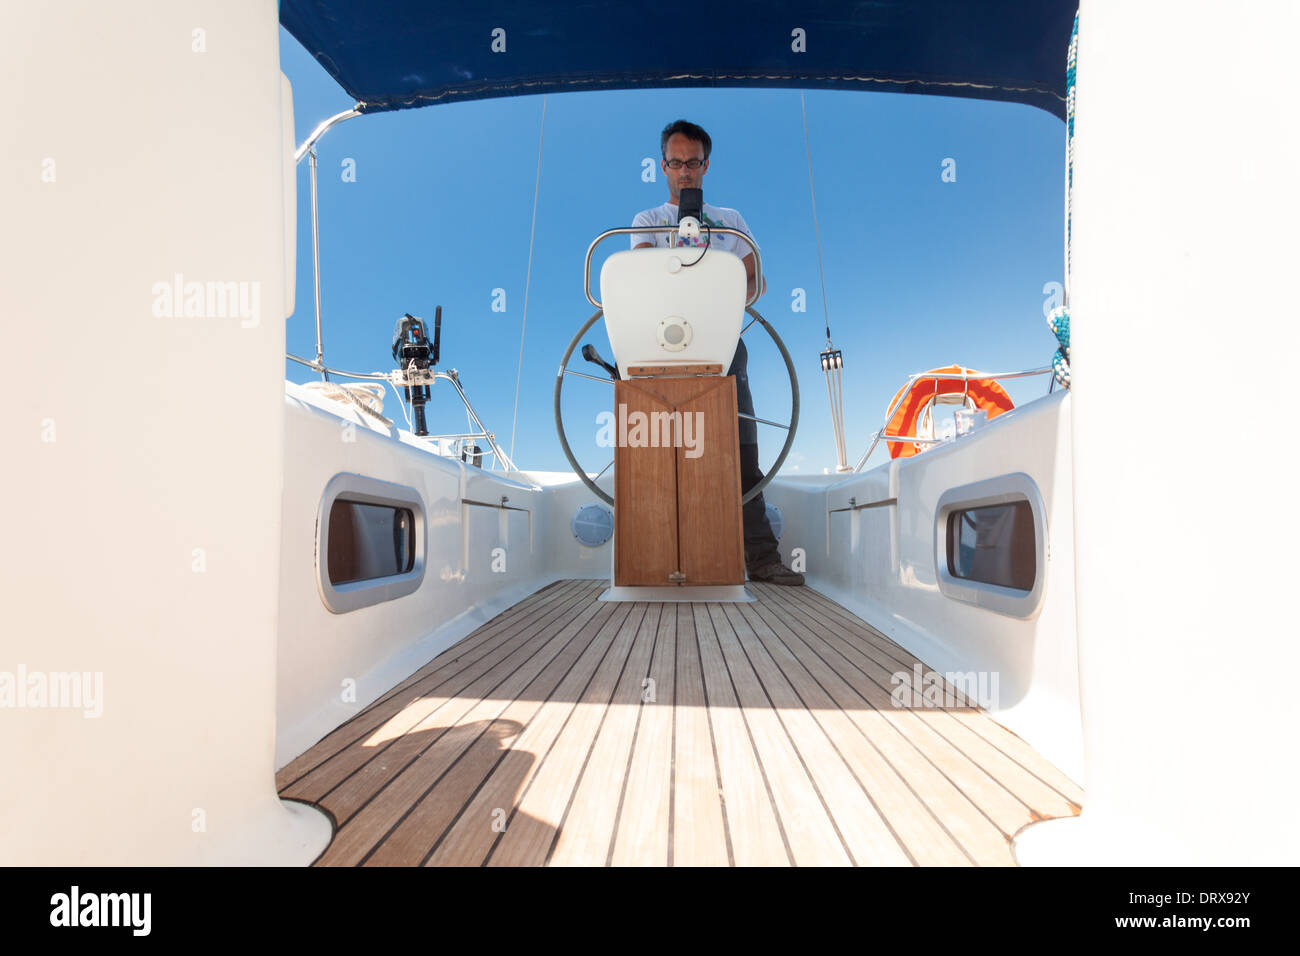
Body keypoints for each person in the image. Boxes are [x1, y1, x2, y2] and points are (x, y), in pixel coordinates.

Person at [630, 119, 804, 586]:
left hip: (725, 346)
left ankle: (762, 558)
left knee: (743, 454)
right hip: (662, 352)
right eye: (675, 162)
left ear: (706, 165)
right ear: (661, 166)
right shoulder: (647, 222)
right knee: (658, 453)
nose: (684, 171)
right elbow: (644, 280)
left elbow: (756, 280)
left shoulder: (731, 221)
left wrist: (724, 301)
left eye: (693, 162)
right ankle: (653, 558)